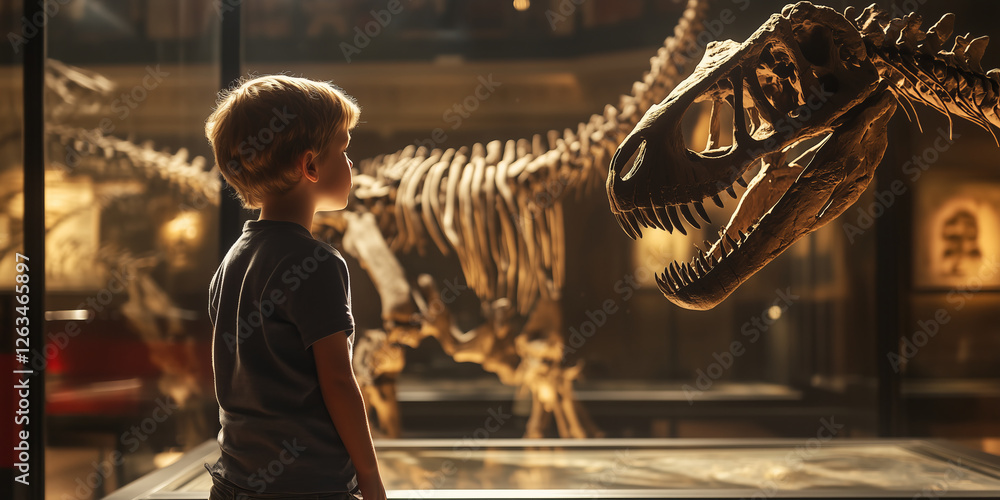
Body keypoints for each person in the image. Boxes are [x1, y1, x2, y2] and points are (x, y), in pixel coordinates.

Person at [202, 75, 386, 500]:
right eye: (343, 149)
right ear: (310, 166)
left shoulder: (232, 261)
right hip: (308, 486)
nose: (352, 163)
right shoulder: (317, 264)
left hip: (233, 481)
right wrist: (371, 480)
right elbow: (339, 382)